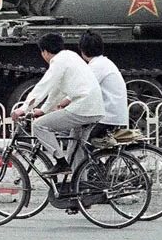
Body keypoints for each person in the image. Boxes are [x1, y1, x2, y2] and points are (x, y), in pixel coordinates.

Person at [12, 33, 105, 175]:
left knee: (39, 125)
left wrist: (24, 108)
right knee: (75, 150)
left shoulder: (58, 61)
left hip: (82, 107)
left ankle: (61, 162)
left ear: (45, 52)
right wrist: (43, 110)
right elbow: (57, 90)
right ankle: (81, 188)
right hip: (93, 107)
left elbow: (44, 86)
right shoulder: (70, 56)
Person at [78, 30, 128, 139]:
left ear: (82, 51)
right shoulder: (104, 62)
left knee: (83, 143)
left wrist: (62, 103)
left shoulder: (95, 66)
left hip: (108, 118)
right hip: (115, 115)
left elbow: (82, 89)